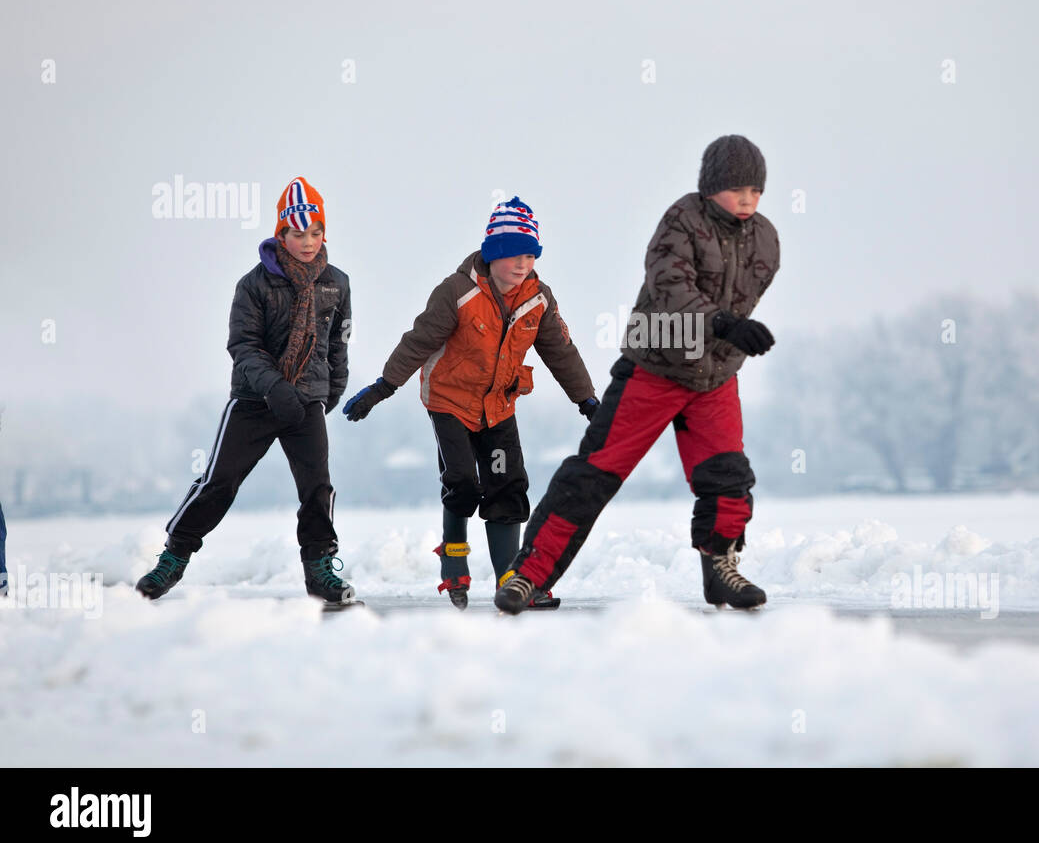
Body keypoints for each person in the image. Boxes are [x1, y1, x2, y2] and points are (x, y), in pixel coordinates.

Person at [495, 136, 780, 614]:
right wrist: (725, 324)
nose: (748, 199)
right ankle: (529, 575)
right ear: (710, 188)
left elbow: (746, 297)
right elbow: (670, 286)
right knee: (594, 475)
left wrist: (736, 334)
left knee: (728, 477)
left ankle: (721, 567)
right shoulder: (681, 221)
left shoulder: (766, 237)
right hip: (655, 369)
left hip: (713, 379)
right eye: (737, 189)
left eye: (756, 190)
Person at [344, 197, 597, 609]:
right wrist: (382, 387)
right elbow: (418, 342)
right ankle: (454, 557)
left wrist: (586, 400)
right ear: (492, 253)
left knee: (507, 484)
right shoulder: (456, 292)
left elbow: (561, 352)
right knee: (462, 480)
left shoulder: (538, 298)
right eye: (513, 255)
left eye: (530, 256)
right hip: (450, 402)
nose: (522, 265)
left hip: (498, 406)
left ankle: (511, 580)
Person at [135, 176, 355, 603]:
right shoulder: (253, 285)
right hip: (255, 400)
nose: (307, 241)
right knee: (219, 482)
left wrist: (331, 390)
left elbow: (338, 342)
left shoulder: (336, 283)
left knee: (317, 488)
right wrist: (274, 387)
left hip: (307, 400)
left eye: (316, 232)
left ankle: (320, 568)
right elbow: (243, 346)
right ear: (281, 233)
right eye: (297, 232)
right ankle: (174, 557)